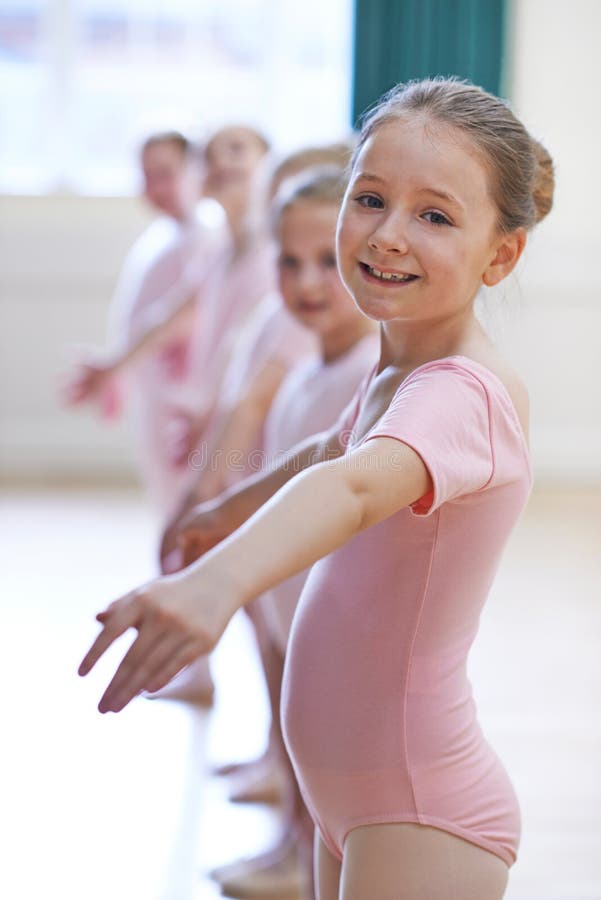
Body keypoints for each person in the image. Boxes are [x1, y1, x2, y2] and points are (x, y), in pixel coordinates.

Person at [79, 78, 554, 899]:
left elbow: (354, 485)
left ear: (500, 253)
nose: (388, 235)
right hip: (358, 799)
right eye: (369, 198)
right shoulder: (397, 370)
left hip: (417, 808)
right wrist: (228, 507)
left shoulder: (459, 392)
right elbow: (324, 452)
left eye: (434, 216)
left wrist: (215, 582)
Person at [209, 168, 378, 898]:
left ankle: (302, 863)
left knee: (322, 756)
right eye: (288, 262)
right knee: (293, 739)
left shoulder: (370, 373)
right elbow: (273, 464)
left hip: (328, 611)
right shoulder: (311, 363)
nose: (307, 282)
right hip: (287, 601)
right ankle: (290, 848)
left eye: (329, 262)